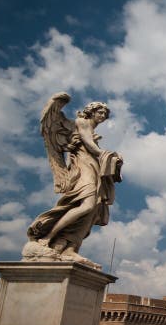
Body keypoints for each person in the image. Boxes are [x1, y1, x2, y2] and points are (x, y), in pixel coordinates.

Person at [24, 93, 123, 268]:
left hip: (93, 167)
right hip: (83, 167)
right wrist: (109, 155)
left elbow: (90, 145)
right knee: (87, 205)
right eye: (100, 113)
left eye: (105, 115)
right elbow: (88, 143)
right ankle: (47, 238)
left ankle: (69, 248)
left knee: (93, 210)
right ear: (91, 111)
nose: (103, 117)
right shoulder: (82, 123)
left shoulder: (92, 130)